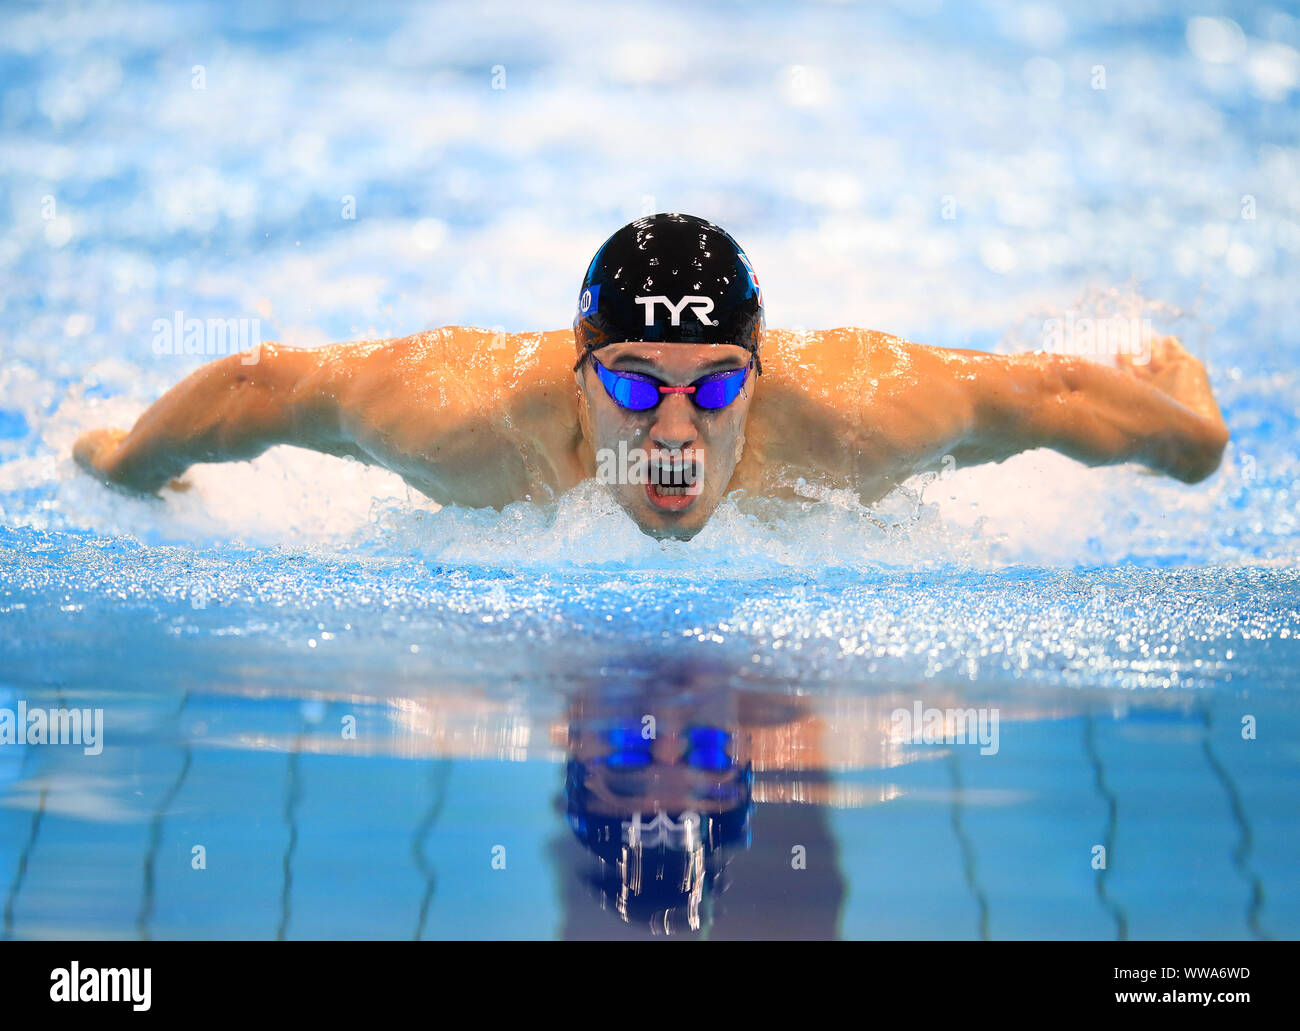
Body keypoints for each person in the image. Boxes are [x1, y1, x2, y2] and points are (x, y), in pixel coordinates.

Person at [73, 213, 1230, 540]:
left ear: (762, 378)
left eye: (716, 384)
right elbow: (261, 387)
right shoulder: (459, 418)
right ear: (575, 376)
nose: (673, 427)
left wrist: (1194, 433)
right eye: (632, 382)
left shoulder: (864, 419)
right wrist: (126, 461)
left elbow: (1051, 398)